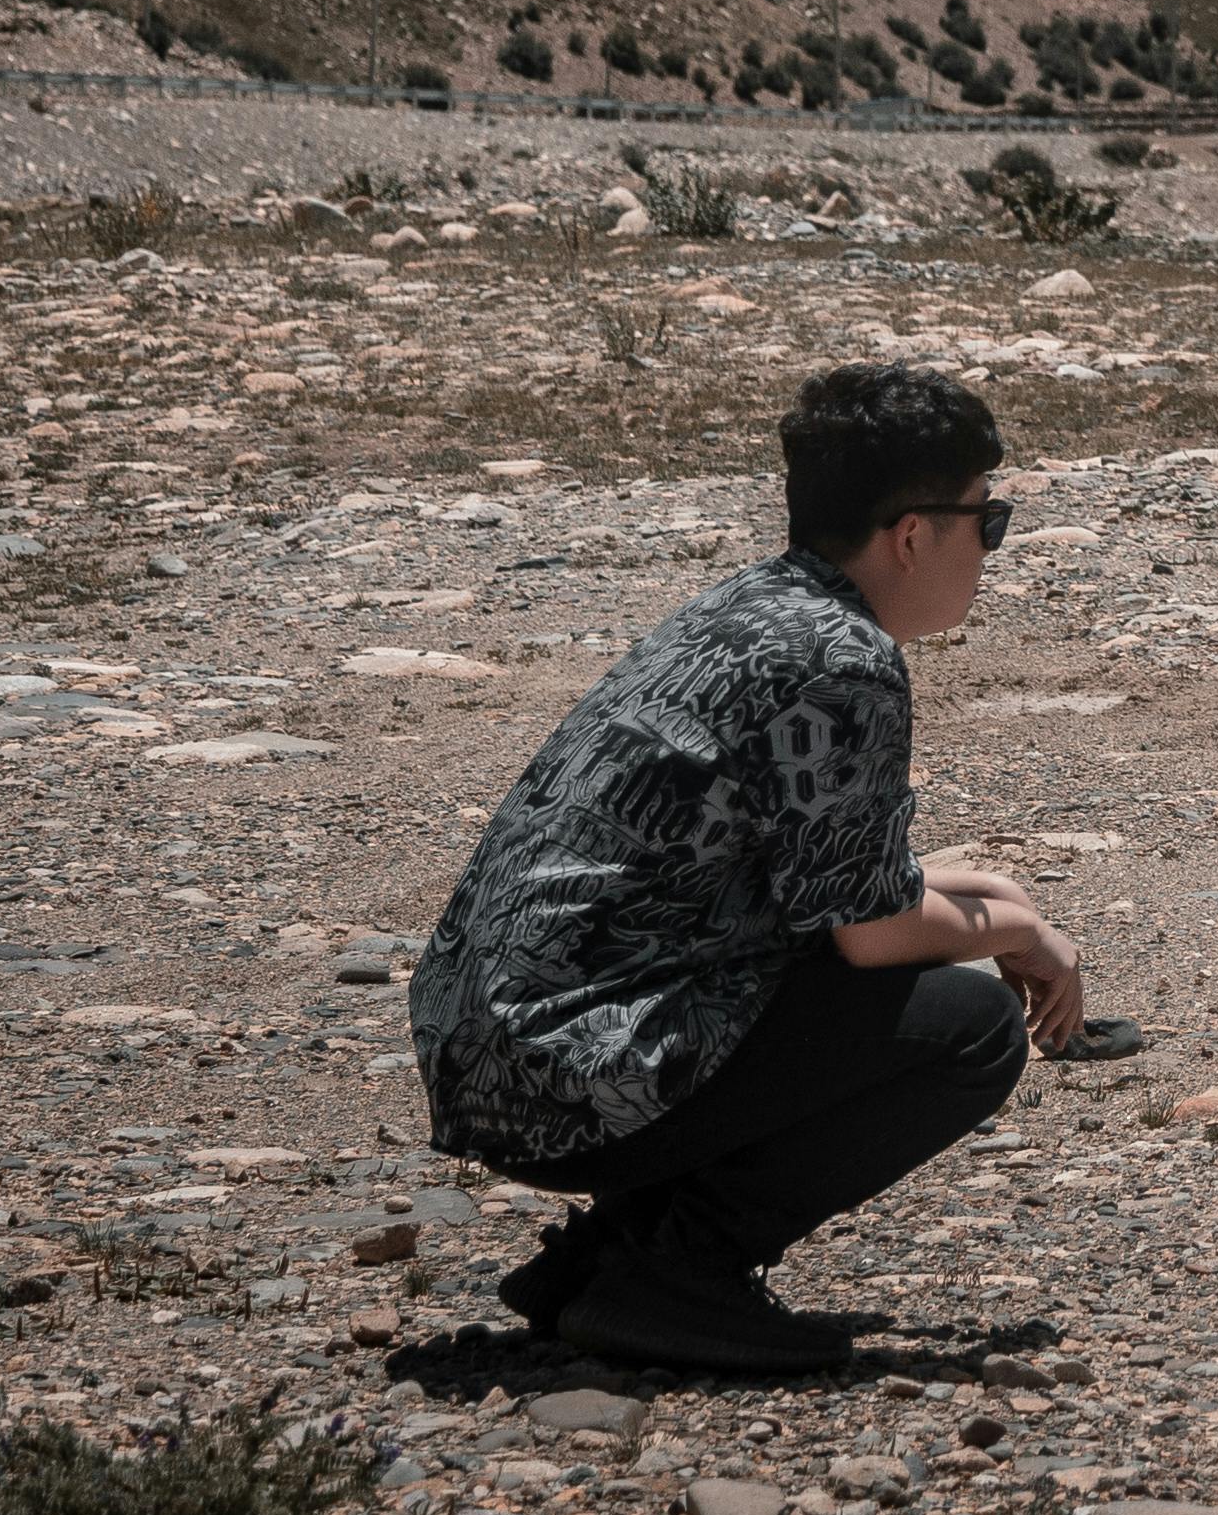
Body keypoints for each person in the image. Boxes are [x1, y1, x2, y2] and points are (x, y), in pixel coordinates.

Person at [411, 361, 1088, 1370]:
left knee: (872, 971)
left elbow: (826, 885)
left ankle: (598, 1263)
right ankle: (675, 1273)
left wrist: (993, 896)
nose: (989, 550)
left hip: (492, 1048)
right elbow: (871, 935)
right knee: (972, 1030)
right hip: (571, 1075)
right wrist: (1019, 934)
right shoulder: (846, 663)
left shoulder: (752, 610)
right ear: (914, 535)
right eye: (985, 524)